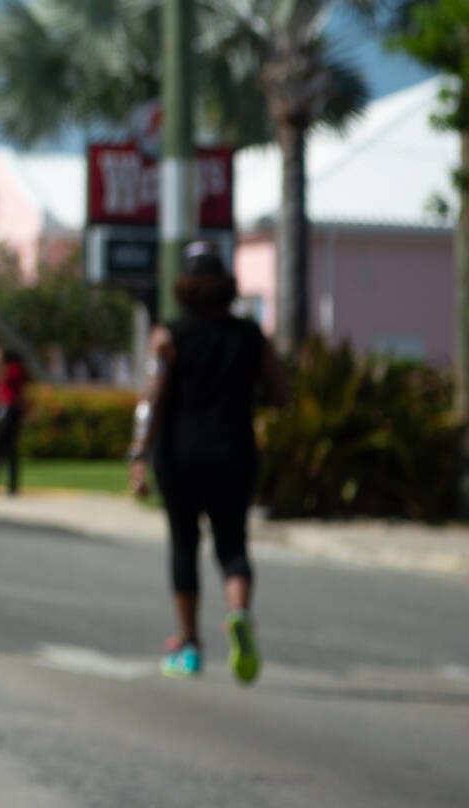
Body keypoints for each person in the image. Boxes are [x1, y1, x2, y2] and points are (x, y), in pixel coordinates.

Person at [129, 242, 288, 682]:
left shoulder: (168, 336)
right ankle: (239, 613)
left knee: (184, 545)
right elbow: (280, 394)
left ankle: (190, 645)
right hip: (234, 452)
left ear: (184, 288)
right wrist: (241, 394)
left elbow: (154, 398)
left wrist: (139, 454)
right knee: (233, 546)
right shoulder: (250, 336)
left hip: (179, 456)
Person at [0, 343, 29, 496]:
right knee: (0, 448)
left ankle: (6, 484)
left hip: (10, 410)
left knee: (5, 447)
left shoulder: (14, 369)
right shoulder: (8, 369)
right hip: (2, 409)